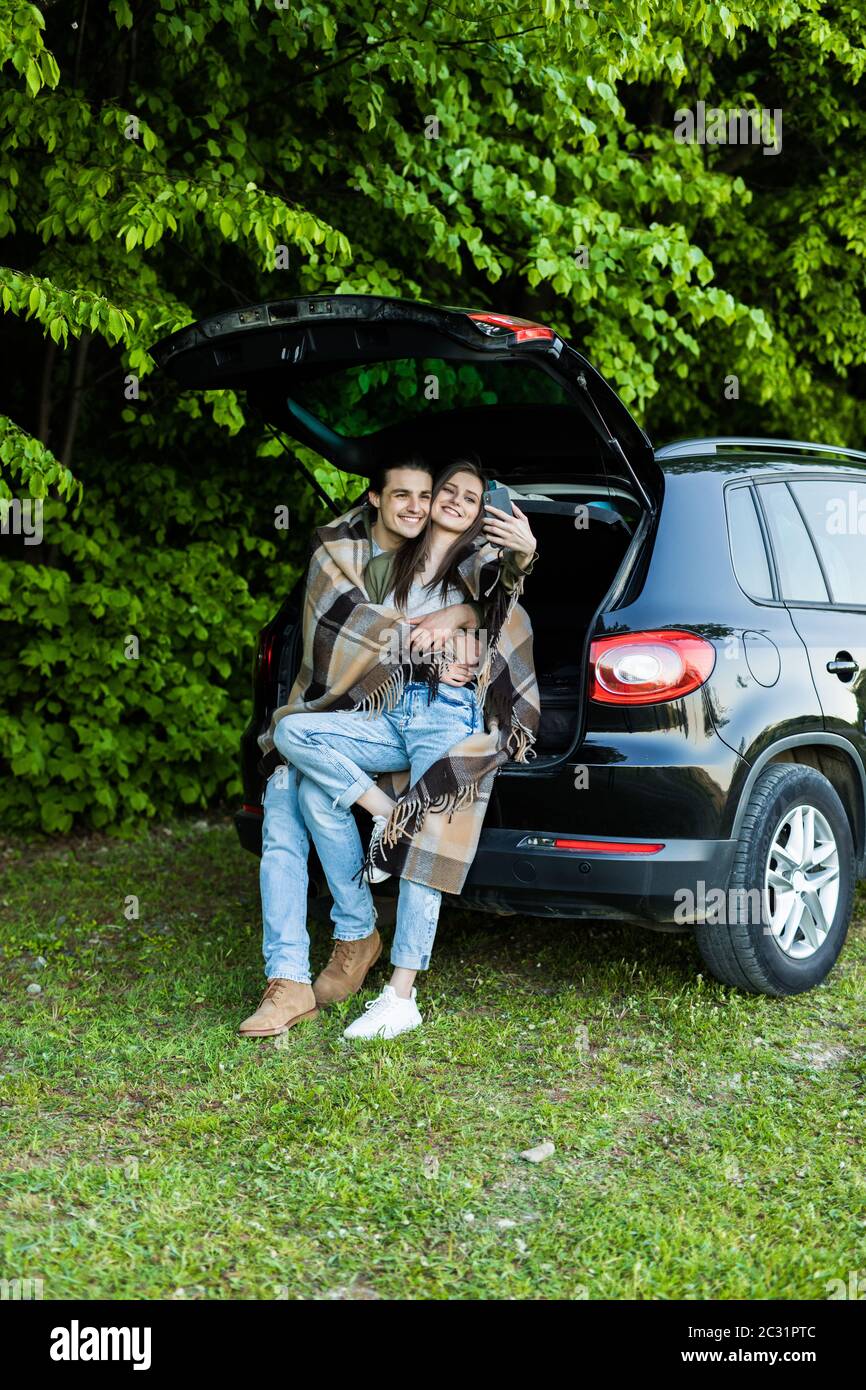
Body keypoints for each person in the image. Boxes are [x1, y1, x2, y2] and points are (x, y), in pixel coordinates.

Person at [247, 457, 539, 1041]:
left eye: (468, 496)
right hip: (385, 710)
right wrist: (430, 633)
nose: (452, 501)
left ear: (482, 512)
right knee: (293, 742)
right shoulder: (390, 566)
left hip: (444, 713)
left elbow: (503, 596)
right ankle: (383, 830)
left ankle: (400, 996)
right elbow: (359, 622)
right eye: (444, 492)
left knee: (430, 845)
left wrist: (522, 555)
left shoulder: (475, 561)